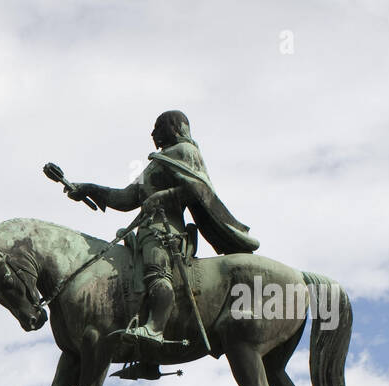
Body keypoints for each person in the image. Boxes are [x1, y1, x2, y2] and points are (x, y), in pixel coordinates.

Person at [49, 110, 258, 357]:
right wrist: (89, 189)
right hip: (145, 230)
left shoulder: (185, 152)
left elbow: (199, 190)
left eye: (158, 127)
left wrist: (165, 195)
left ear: (174, 127)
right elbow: (126, 197)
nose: (153, 133)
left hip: (166, 231)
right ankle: (145, 354)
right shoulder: (156, 163)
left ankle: (155, 329)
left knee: (156, 272)